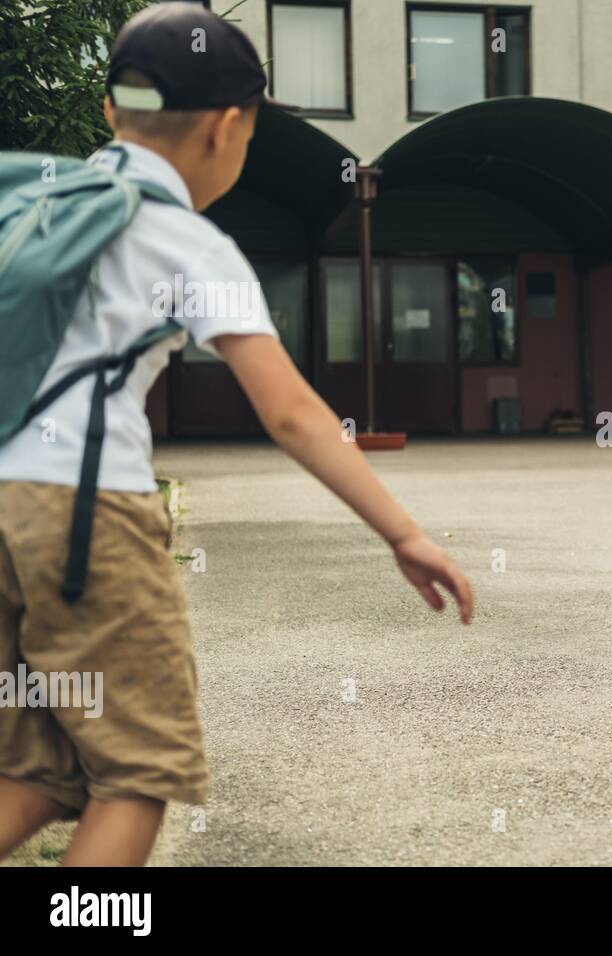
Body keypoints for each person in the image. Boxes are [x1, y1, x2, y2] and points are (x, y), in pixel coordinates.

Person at [0, 4, 472, 867]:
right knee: (138, 777)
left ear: (110, 111)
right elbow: (291, 413)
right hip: (83, 519)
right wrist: (405, 534)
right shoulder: (188, 242)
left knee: (34, 774)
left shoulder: (29, 204)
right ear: (227, 127)